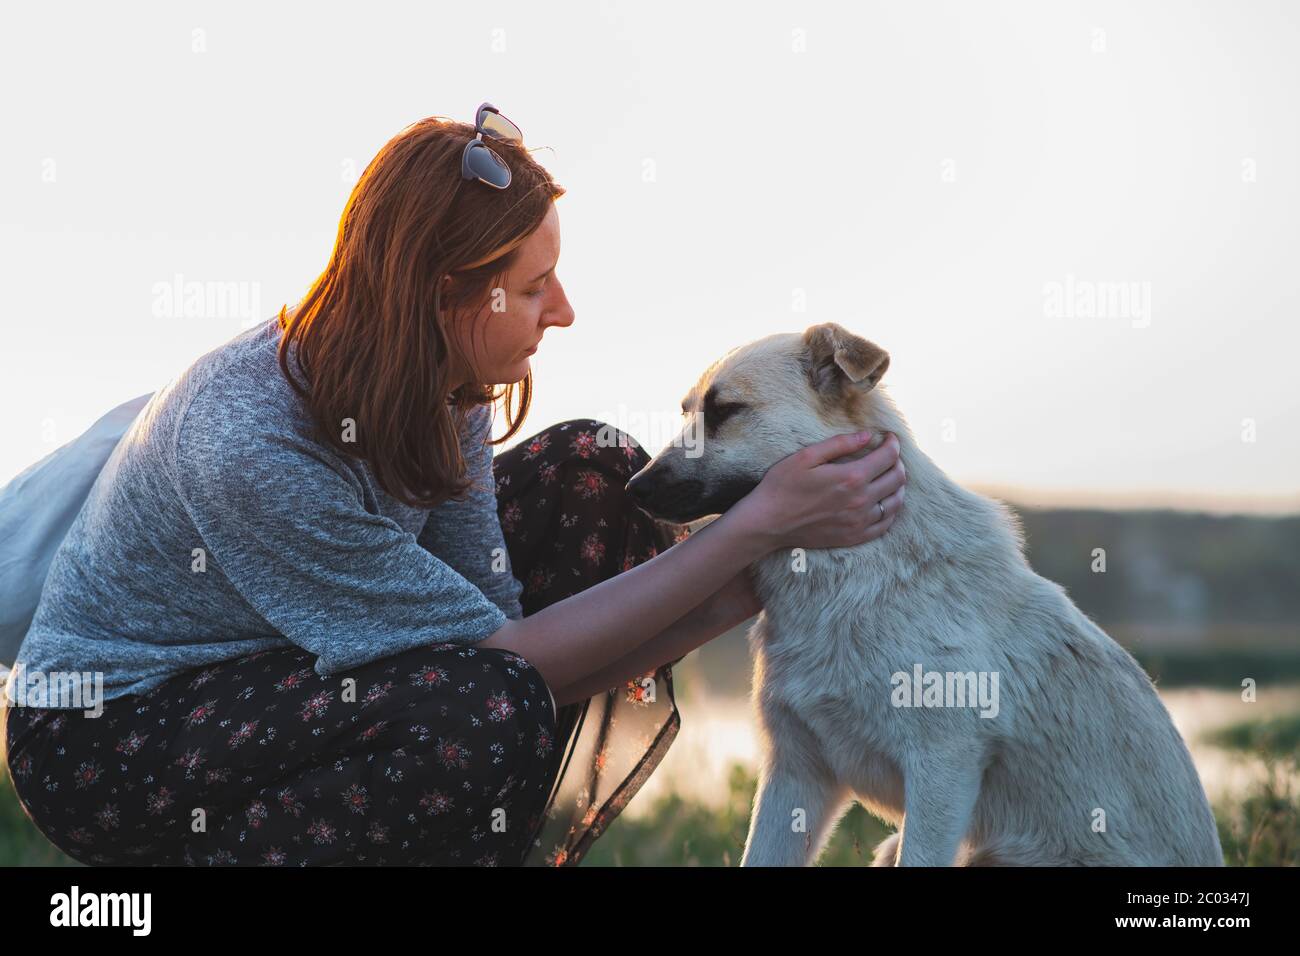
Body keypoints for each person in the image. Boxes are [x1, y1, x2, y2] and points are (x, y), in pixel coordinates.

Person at [1, 104, 906, 866]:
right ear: (447, 295)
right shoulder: (250, 447)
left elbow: (502, 625)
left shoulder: (443, 375)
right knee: (479, 708)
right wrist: (748, 532)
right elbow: (513, 662)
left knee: (594, 472)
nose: (565, 311)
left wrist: (741, 584)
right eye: (536, 285)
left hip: (280, 662)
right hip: (111, 731)